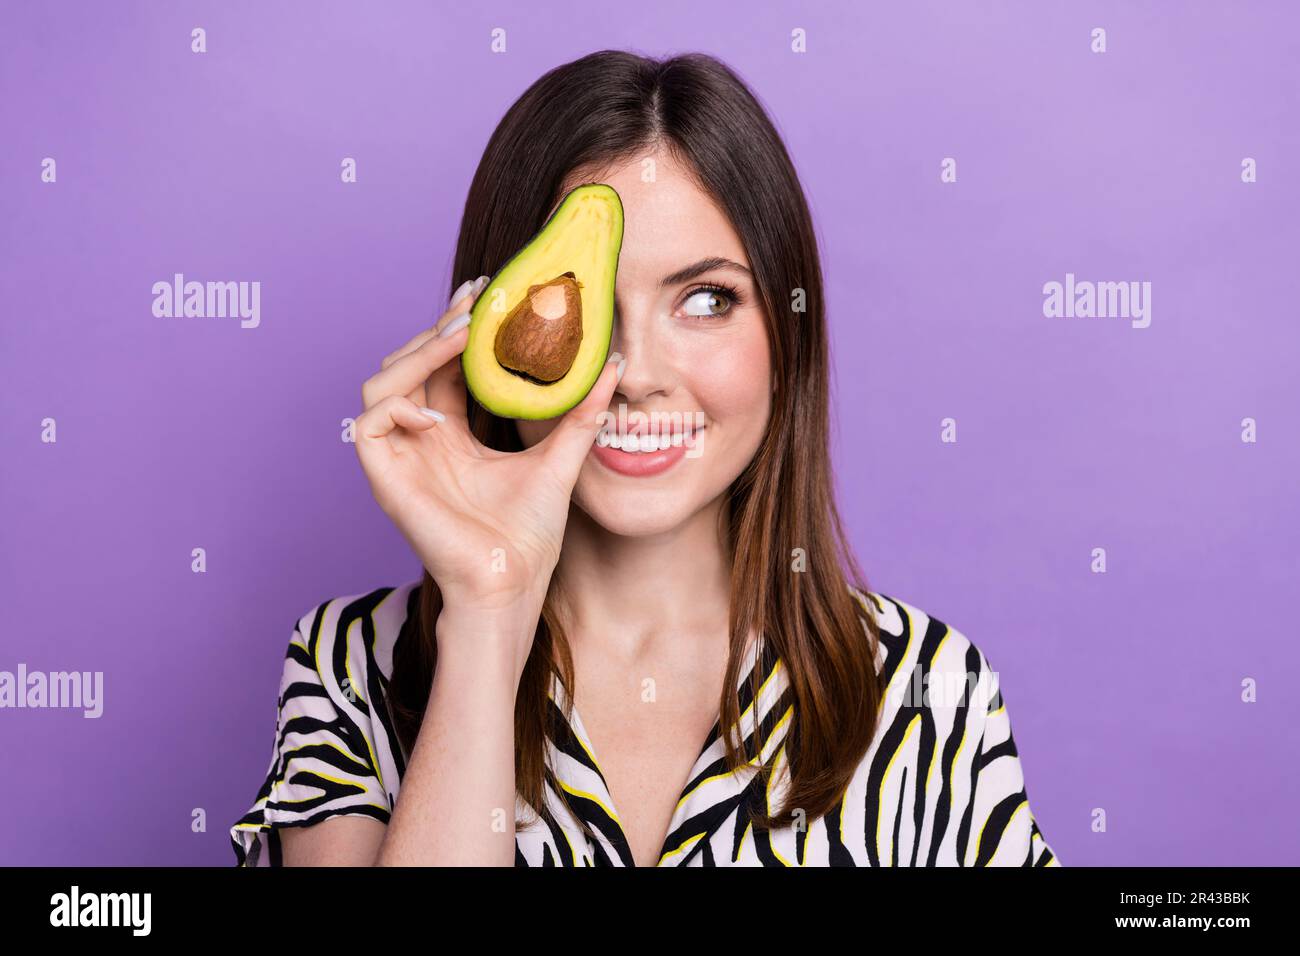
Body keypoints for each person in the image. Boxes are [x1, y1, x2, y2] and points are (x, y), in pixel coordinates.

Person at [230, 50, 1059, 867]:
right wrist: (488, 610)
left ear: (787, 334)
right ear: (487, 327)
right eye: (576, 305)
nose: (638, 377)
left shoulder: (928, 690)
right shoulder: (350, 666)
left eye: (706, 300)